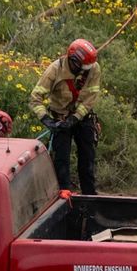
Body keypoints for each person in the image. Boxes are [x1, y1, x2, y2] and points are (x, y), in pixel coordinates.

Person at [31, 38, 101, 195]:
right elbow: (35, 98)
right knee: (61, 160)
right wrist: (46, 120)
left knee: (87, 157)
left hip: (83, 117)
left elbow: (91, 97)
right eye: (84, 66)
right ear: (74, 61)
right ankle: (63, 194)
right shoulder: (54, 70)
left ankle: (89, 195)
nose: (86, 70)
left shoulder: (93, 68)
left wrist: (75, 118)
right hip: (59, 119)